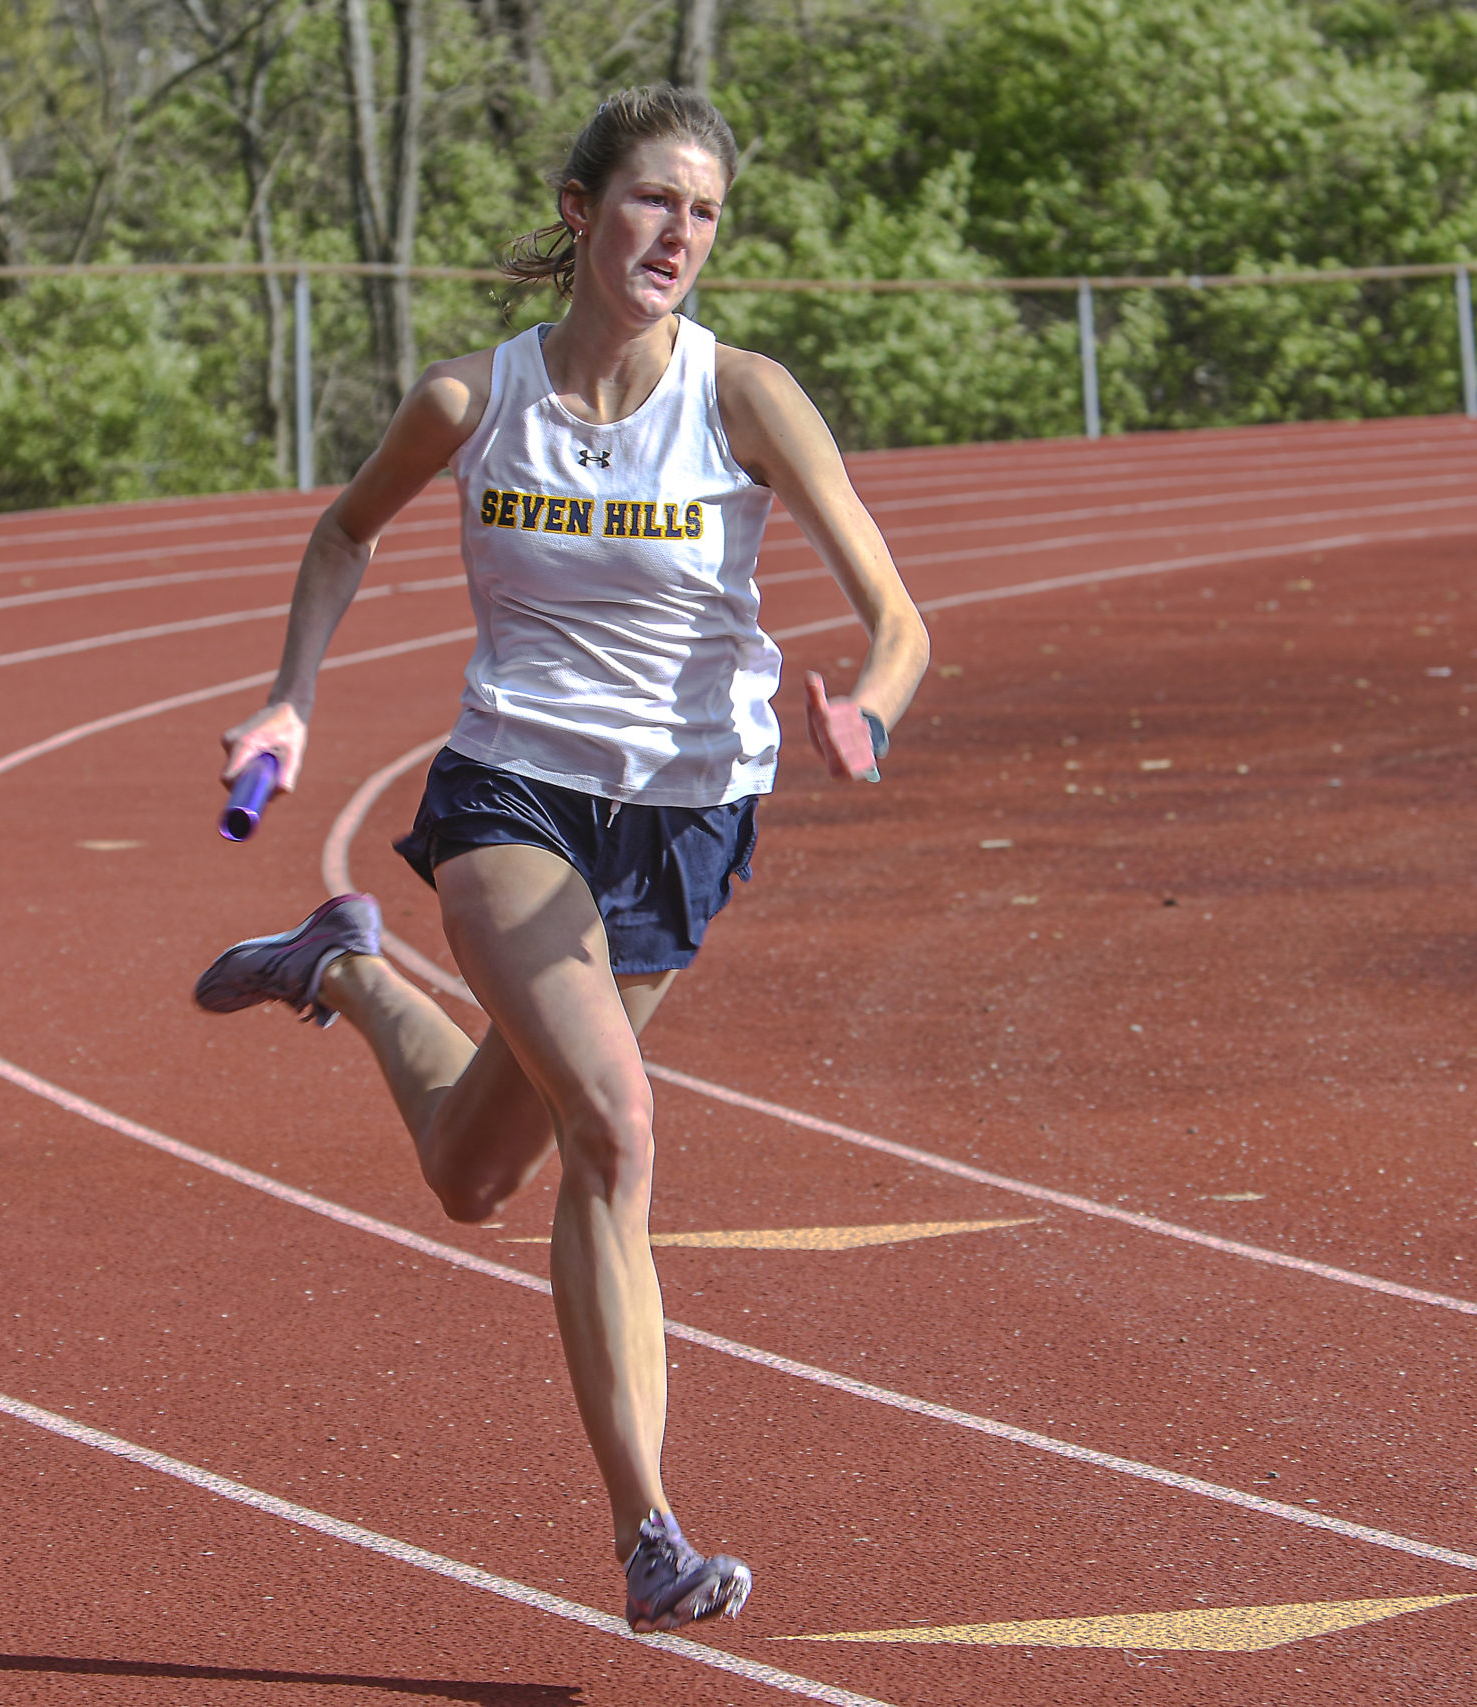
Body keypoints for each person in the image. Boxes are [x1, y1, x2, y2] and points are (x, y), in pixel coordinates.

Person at [192, 84, 928, 1633]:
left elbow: (899, 621)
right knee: (619, 1129)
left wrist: (864, 709)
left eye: (708, 211)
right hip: (511, 797)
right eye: (655, 199)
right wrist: (288, 695)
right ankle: (649, 1531)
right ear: (583, 208)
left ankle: (336, 961)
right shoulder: (474, 404)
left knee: (477, 1173)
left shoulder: (746, 399)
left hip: (686, 819)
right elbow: (343, 535)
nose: (682, 234)